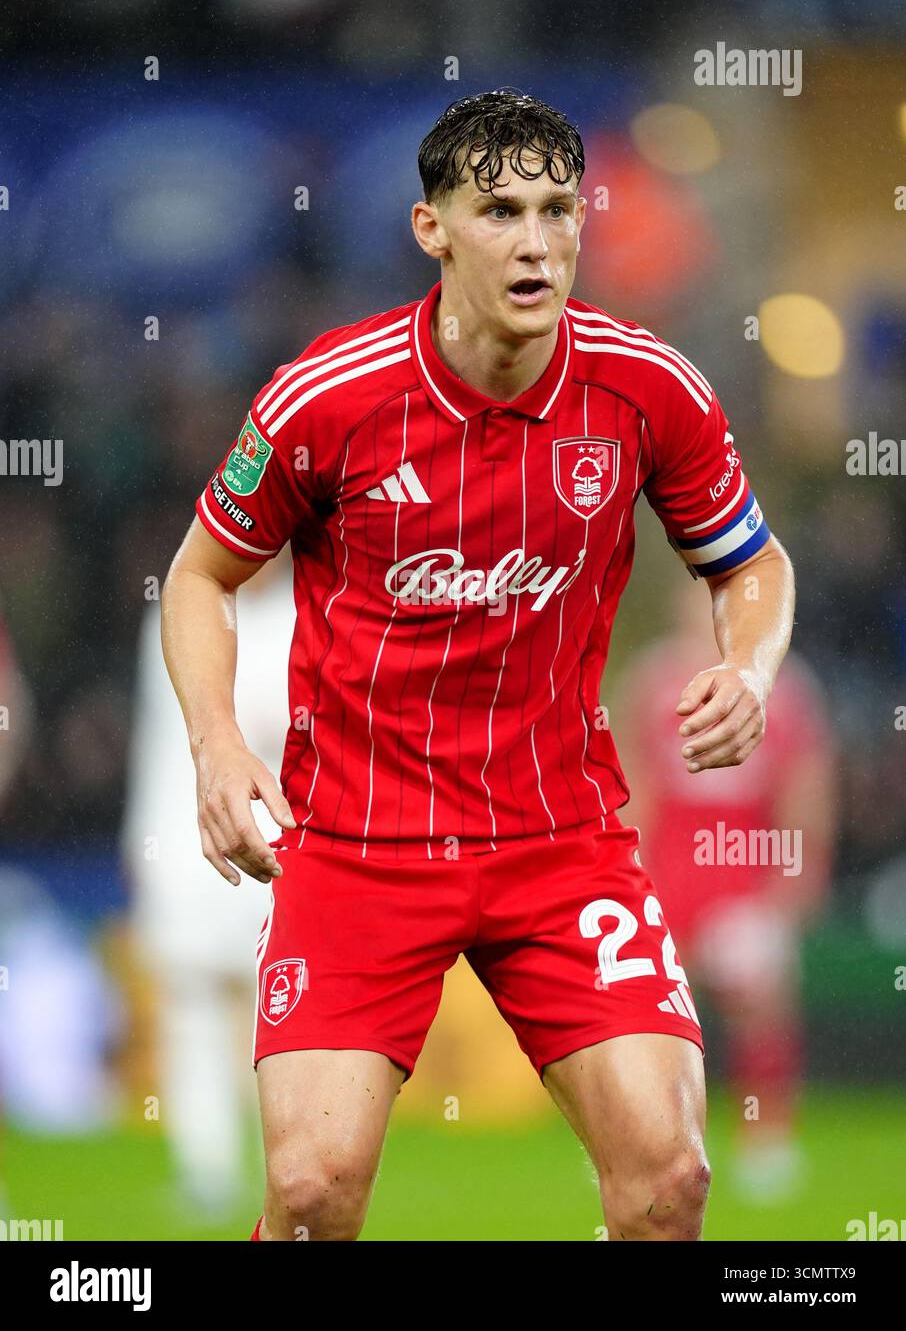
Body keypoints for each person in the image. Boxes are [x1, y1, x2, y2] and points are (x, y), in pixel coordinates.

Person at [160, 89, 795, 1241]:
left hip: (563, 841)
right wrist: (214, 744)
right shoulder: (332, 396)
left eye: (560, 210)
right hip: (357, 843)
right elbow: (200, 576)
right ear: (431, 228)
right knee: (309, 1196)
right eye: (500, 210)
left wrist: (747, 666)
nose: (538, 241)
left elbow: (752, 564)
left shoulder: (648, 387)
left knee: (671, 1181)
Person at [611, 577, 835, 1201]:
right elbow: (634, 792)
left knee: (758, 991)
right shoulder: (652, 681)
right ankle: (648, 1145)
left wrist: (791, 891)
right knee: (646, 1019)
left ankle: (767, 1139)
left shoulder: (786, 691)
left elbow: (806, 801)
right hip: (667, 874)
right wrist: (630, 883)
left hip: (745, 878)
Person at [123, 554, 294, 1216]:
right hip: (181, 844)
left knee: (276, 1018)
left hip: (275, 848)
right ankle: (208, 1169)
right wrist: (138, 843)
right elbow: (156, 745)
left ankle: (284, 1164)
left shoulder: (305, 621)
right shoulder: (173, 623)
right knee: (190, 1010)